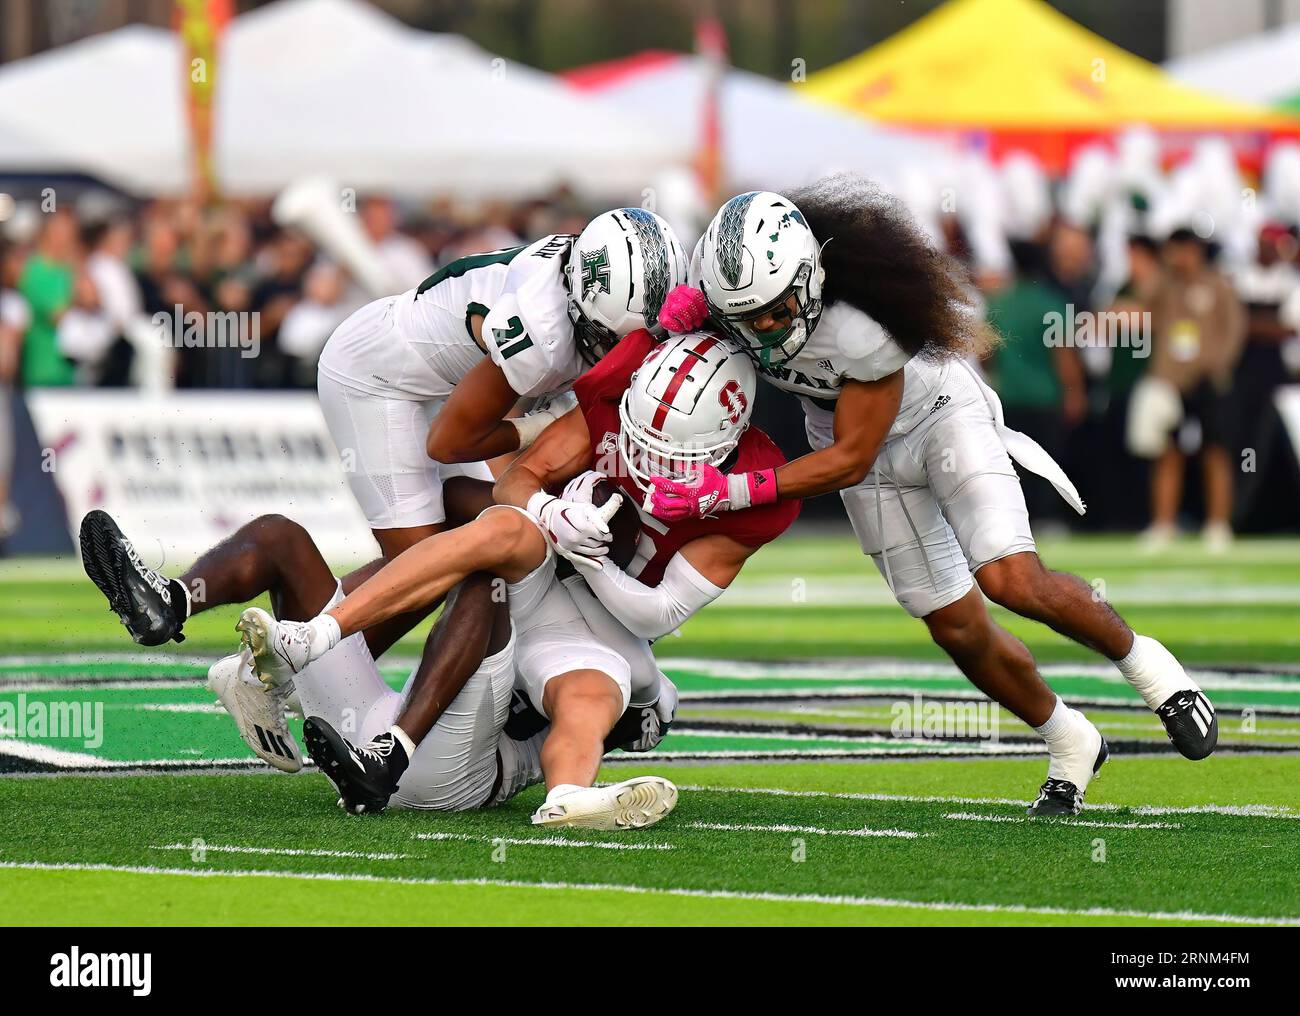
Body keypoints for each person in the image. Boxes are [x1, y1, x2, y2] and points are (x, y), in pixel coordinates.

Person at [649, 180, 1217, 816]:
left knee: (1010, 580)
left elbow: (849, 458)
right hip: (844, 436)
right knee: (954, 626)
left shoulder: (863, 326)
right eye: (746, 317)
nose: (764, 329)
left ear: (810, 276)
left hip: (936, 416)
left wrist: (722, 493)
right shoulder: (718, 303)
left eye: (776, 310)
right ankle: (1069, 739)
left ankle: (1155, 673)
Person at [235, 331, 798, 830]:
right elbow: (516, 482)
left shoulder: (749, 498)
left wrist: (596, 564)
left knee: (590, 694)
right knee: (507, 530)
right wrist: (550, 513)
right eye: (639, 439)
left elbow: (662, 612)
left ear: (723, 449)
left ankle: (570, 796)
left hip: (601, 630)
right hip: (542, 586)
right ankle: (317, 637)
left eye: (669, 456)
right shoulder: (607, 403)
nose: (646, 463)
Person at [314, 207, 687, 567]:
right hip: (376, 375)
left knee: (499, 548)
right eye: (610, 340)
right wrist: (541, 427)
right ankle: (305, 614)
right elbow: (449, 443)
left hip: (441, 381)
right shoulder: (541, 329)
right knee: (427, 564)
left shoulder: (586, 281)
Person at [1144, 228, 1247, 551]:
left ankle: (1218, 524)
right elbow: (1145, 310)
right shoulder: (1165, 285)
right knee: (1168, 453)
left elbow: (1234, 329)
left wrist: (1216, 365)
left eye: (1182, 250)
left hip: (1209, 381)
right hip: (1172, 382)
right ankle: (1164, 524)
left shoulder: (1217, 285)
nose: (1177, 258)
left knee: (1215, 452)